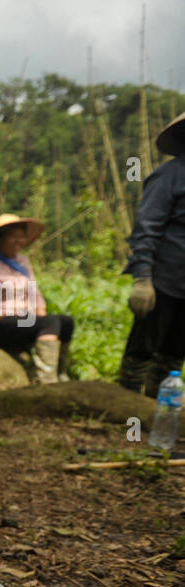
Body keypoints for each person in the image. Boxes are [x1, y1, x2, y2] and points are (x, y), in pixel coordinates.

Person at [0, 213, 75, 383]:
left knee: (65, 322)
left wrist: (43, 320)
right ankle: (46, 380)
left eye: (22, 237)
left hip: (22, 321)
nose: (18, 242)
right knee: (51, 322)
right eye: (13, 237)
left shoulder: (22, 263)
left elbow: (35, 294)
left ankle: (60, 372)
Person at [119, 110, 185, 396]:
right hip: (163, 278)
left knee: (174, 355)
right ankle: (130, 412)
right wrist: (142, 278)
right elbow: (146, 227)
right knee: (142, 350)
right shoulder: (169, 175)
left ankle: (160, 418)